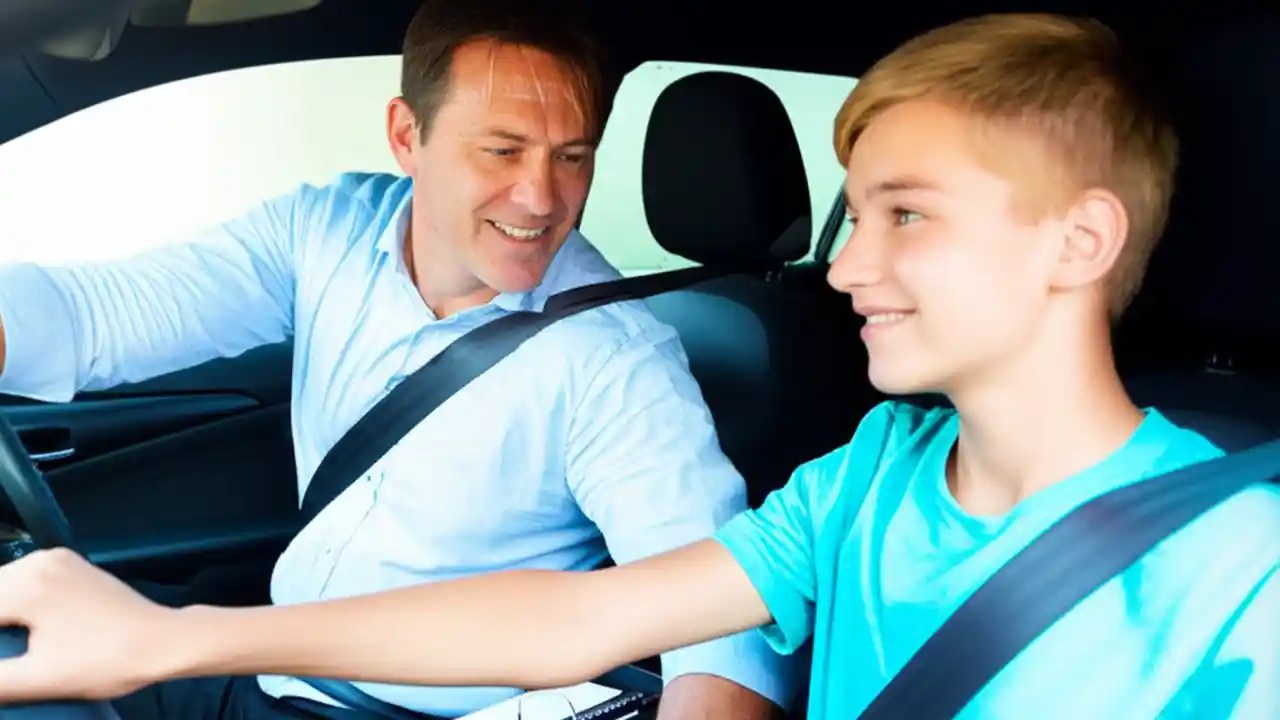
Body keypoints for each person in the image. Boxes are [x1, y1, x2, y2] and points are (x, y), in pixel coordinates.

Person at [2, 10, 1278, 719]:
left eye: (903, 214)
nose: (842, 266)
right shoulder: (865, 481)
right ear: (407, 138)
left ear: (1080, 241)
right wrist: (174, 641)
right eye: (856, 211)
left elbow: (714, 673)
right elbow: (578, 617)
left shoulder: (1246, 564)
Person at [0, 1, 798, 719]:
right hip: (265, 670)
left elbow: (721, 629)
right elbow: (90, 315)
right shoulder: (327, 231)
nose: (541, 197)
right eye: (502, 150)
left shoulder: (616, 361)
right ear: (406, 137)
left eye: (571, 157)